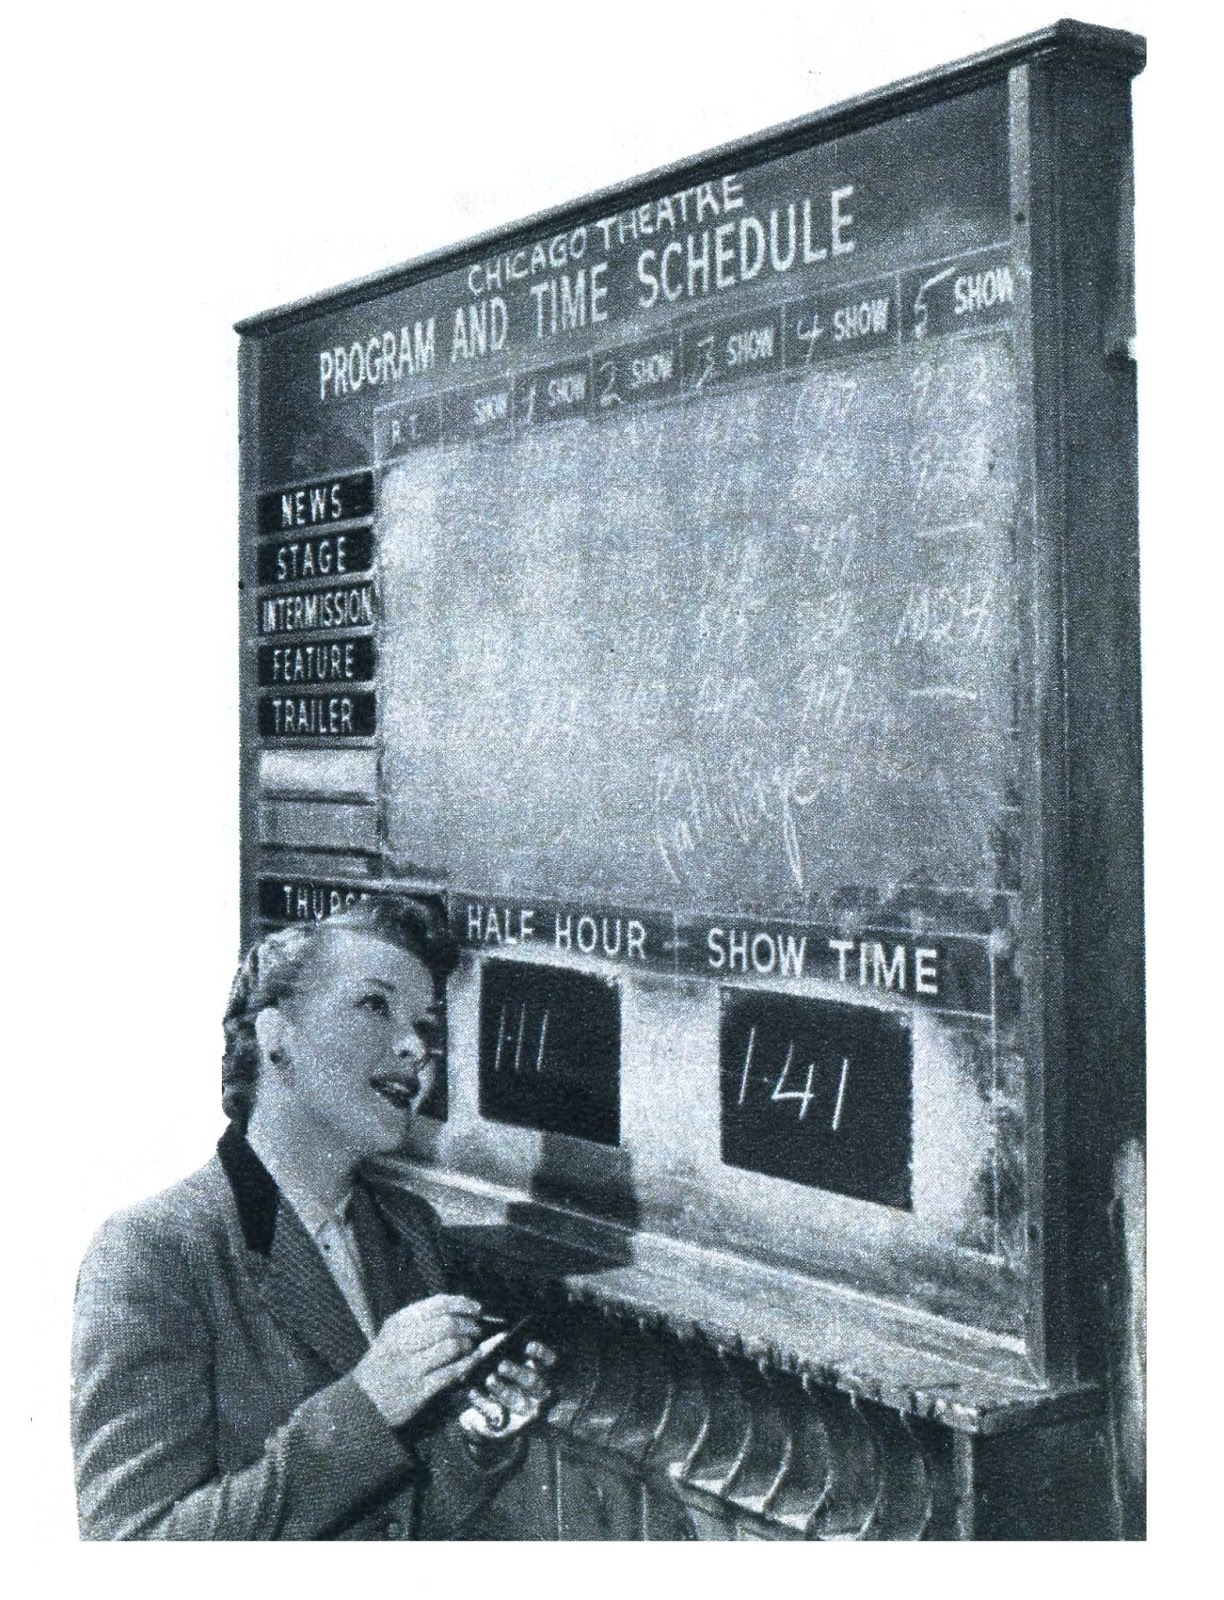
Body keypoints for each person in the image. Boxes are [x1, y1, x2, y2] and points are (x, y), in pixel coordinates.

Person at [71, 898, 555, 1539]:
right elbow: (134, 1557)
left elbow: (401, 1524)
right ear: (275, 1039)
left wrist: (475, 1441)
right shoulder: (155, 1253)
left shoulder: (409, 1232)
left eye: (426, 1027)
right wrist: (367, 1404)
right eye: (374, 1006)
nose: (415, 1048)